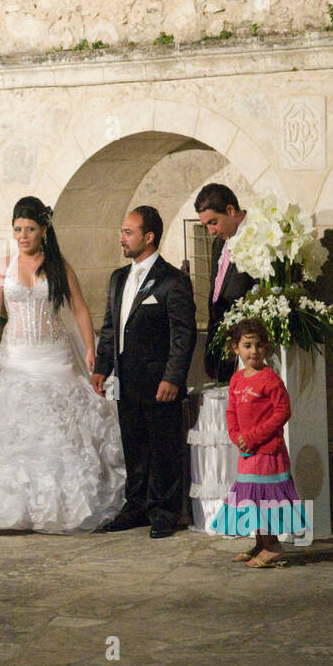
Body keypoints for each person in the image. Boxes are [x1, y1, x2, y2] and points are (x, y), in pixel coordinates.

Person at [0, 197, 125, 534]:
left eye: (29, 229)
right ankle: (5, 507)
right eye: (17, 229)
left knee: (59, 432)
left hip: (55, 358)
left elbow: (80, 309)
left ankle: (56, 506)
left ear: (43, 230)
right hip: (15, 358)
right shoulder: (2, 267)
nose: (23, 236)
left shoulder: (59, 267)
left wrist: (91, 349)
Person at [92, 206, 197, 539]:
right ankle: (135, 507)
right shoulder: (118, 278)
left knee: (164, 447)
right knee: (133, 446)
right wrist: (102, 367)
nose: (121, 238)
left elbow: (183, 335)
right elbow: (111, 327)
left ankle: (165, 512)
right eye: (122, 232)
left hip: (159, 380)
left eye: (128, 232)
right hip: (126, 379)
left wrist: (173, 377)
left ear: (149, 237)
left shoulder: (173, 280)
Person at [213, 318, 304, 567]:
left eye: (259, 345)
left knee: (266, 498)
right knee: (251, 497)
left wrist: (253, 437)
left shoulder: (270, 379)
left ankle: (273, 546)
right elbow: (231, 411)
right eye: (247, 345)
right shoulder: (237, 379)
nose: (254, 351)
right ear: (236, 348)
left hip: (267, 451)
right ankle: (261, 543)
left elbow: (282, 412)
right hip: (247, 452)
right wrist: (236, 436)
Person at [195, 183, 255, 382]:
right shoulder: (219, 242)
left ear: (230, 210)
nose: (210, 231)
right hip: (222, 352)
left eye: (213, 222)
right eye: (206, 225)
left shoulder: (257, 237)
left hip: (248, 353)